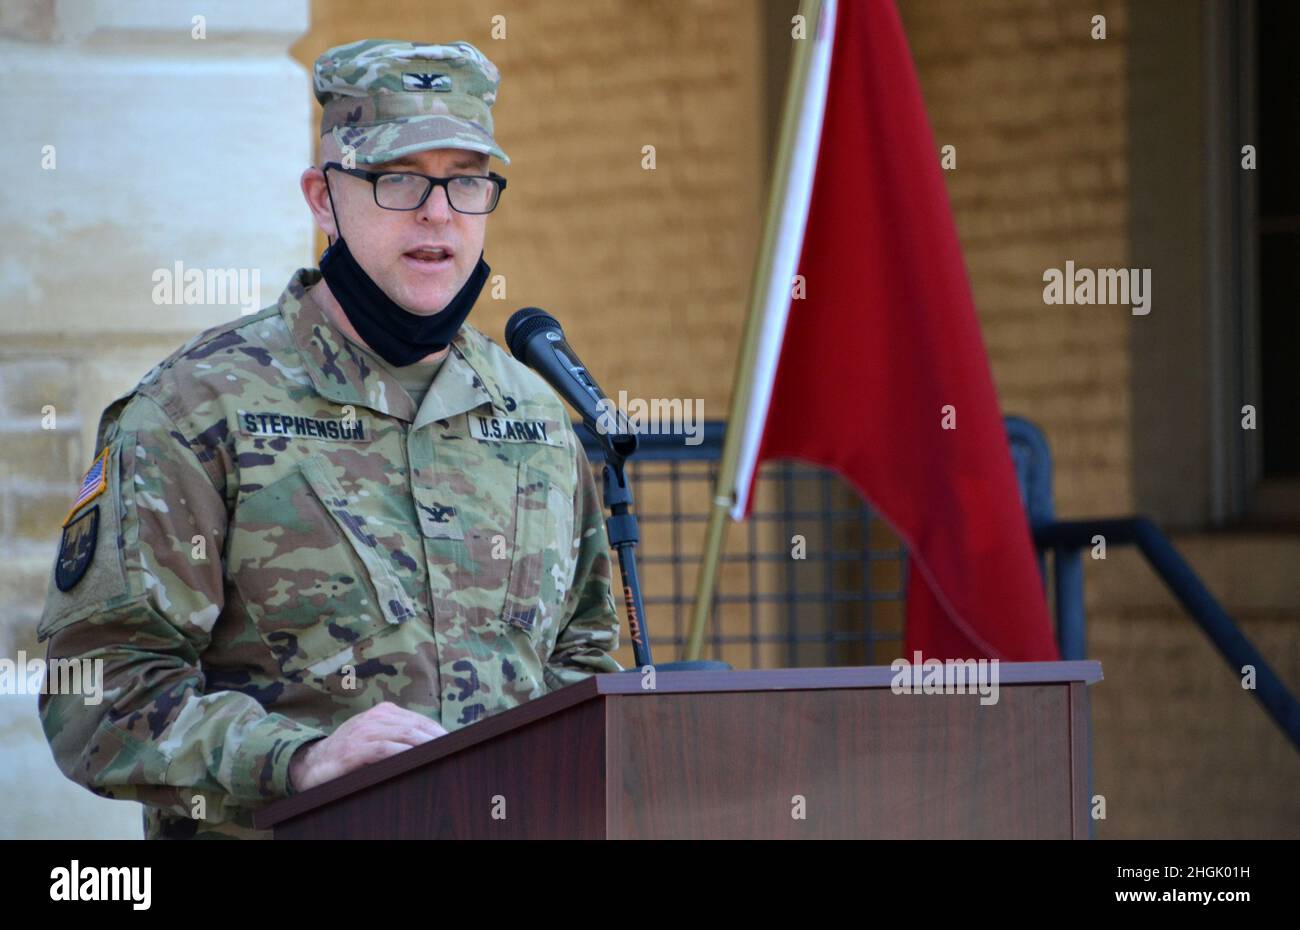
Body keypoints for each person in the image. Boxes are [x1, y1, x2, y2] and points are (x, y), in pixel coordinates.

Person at [36, 38, 622, 840]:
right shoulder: (198, 405)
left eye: (467, 179)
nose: (438, 211)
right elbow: (96, 694)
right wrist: (297, 761)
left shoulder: (533, 414)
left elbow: (582, 664)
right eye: (399, 178)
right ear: (322, 199)